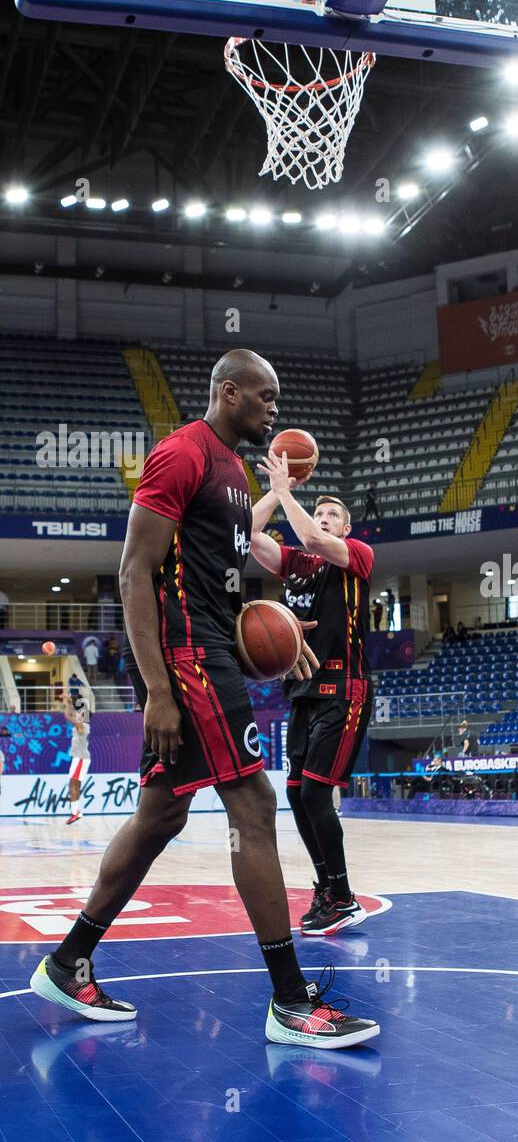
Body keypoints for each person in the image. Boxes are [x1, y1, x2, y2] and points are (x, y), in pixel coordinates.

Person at [29, 349, 379, 1049]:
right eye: (264, 396)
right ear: (227, 391)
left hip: (209, 651)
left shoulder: (237, 470)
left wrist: (276, 628)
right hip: (187, 661)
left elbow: (217, 581)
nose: (274, 409)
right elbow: (133, 572)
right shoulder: (180, 454)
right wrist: (157, 689)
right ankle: (289, 1001)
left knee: (160, 815)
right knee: (253, 804)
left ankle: (68, 961)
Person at [252, 455, 375, 939]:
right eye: (319, 512)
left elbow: (313, 538)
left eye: (332, 516)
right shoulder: (297, 564)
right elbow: (247, 534)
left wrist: (287, 492)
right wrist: (275, 489)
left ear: (346, 528)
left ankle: (343, 895)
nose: (323, 520)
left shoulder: (356, 554)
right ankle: (327, 888)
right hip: (302, 691)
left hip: (345, 690)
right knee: (297, 792)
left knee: (319, 791)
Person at [62, 690, 90, 826]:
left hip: (81, 758)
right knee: (74, 784)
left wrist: (68, 702)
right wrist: (68, 703)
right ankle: (76, 812)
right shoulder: (81, 724)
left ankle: (76, 812)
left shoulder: (83, 726)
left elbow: (69, 716)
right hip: (78, 758)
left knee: (73, 783)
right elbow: (69, 715)